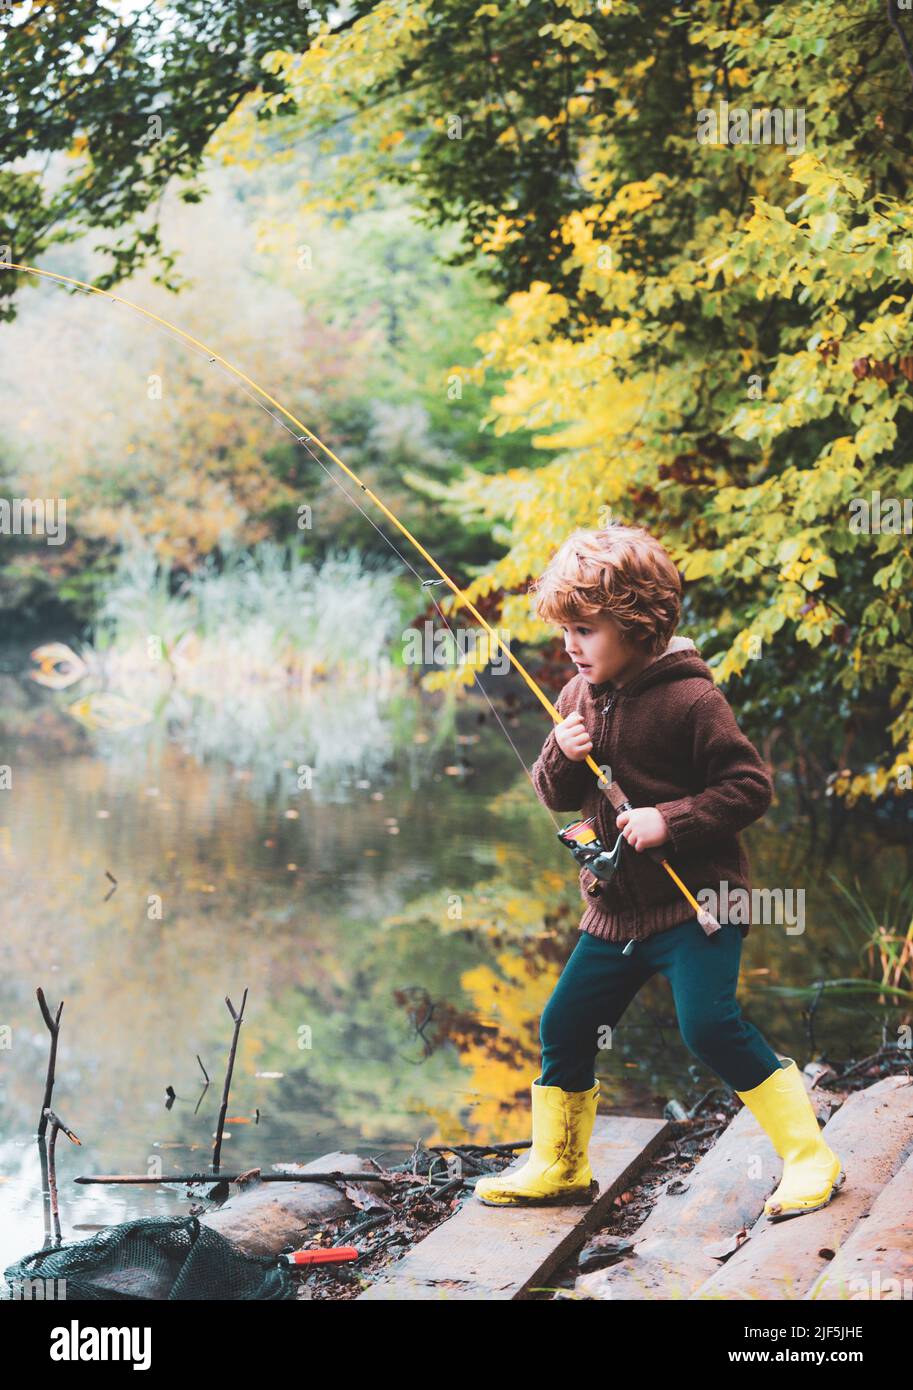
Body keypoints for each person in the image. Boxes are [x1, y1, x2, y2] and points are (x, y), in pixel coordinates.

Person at [474, 524, 844, 1221]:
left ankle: (808, 1157)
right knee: (564, 1024)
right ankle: (560, 1163)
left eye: (584, 630)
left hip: (698, 905)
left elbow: (747, 789)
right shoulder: (574, 698)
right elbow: (553, 792)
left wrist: (669, 819)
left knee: (707, 1028)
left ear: (637, 623)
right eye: (563, 632)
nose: (569, 646)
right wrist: (558, 749)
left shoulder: (691, 701)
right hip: (616, 910)